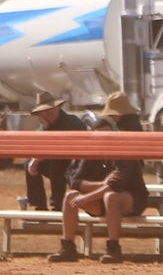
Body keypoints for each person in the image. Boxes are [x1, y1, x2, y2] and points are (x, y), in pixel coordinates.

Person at [47, 93, 147, 264]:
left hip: (130, 197)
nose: (104, 139)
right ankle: (68, 247)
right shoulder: (90, 149)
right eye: (99, 135)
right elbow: (74, 179)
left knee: (111, 197)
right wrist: (100, 185)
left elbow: (116, 184)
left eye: (107, 134)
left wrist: (87, 196)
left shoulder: (125, 145)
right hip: (103, 197)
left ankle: (113, 248)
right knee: (70, 196)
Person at [24, 91, 87, 211]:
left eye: (49, 110)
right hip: (59, 164)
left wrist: (37, 159)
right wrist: (45, 130)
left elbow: (62, 149)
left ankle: (57, 204)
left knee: (56, 161)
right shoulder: (44, 126)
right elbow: (36, 149)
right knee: (28, 163)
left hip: (77, 166)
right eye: (42, 112)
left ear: (57, 108)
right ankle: (39, 204)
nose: (46, 114)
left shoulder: (70, 122)